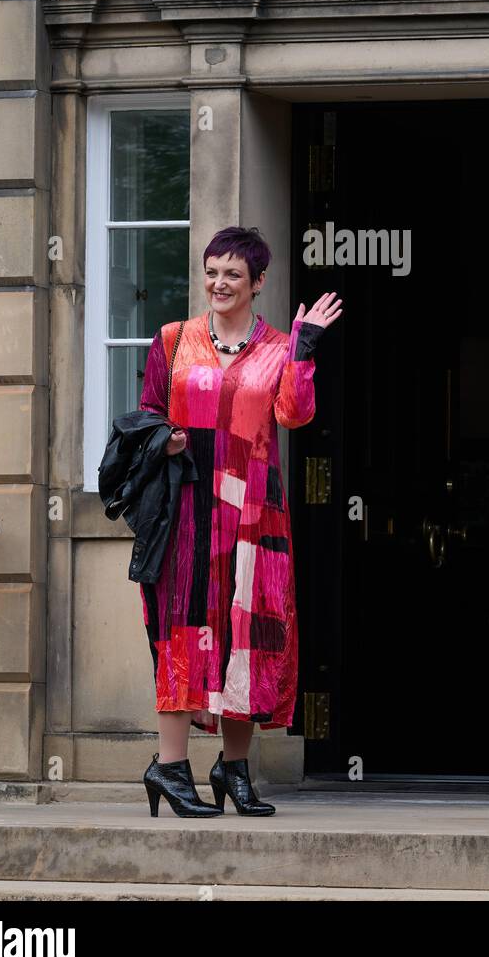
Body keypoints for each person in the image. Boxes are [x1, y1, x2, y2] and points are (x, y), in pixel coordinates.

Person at [137, 225, 342, 818]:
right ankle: (170, 766)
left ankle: (233, 769)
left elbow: (294, 415)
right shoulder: (172, 340)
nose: (219, 282)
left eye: (232, 273)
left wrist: (303, 348)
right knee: (182, 630)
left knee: (248, 637)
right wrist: (164, 441)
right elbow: (145, 413)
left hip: (255, 513)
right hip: (186, 511)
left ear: (257, 283)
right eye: (212, 270)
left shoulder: (279, 347)